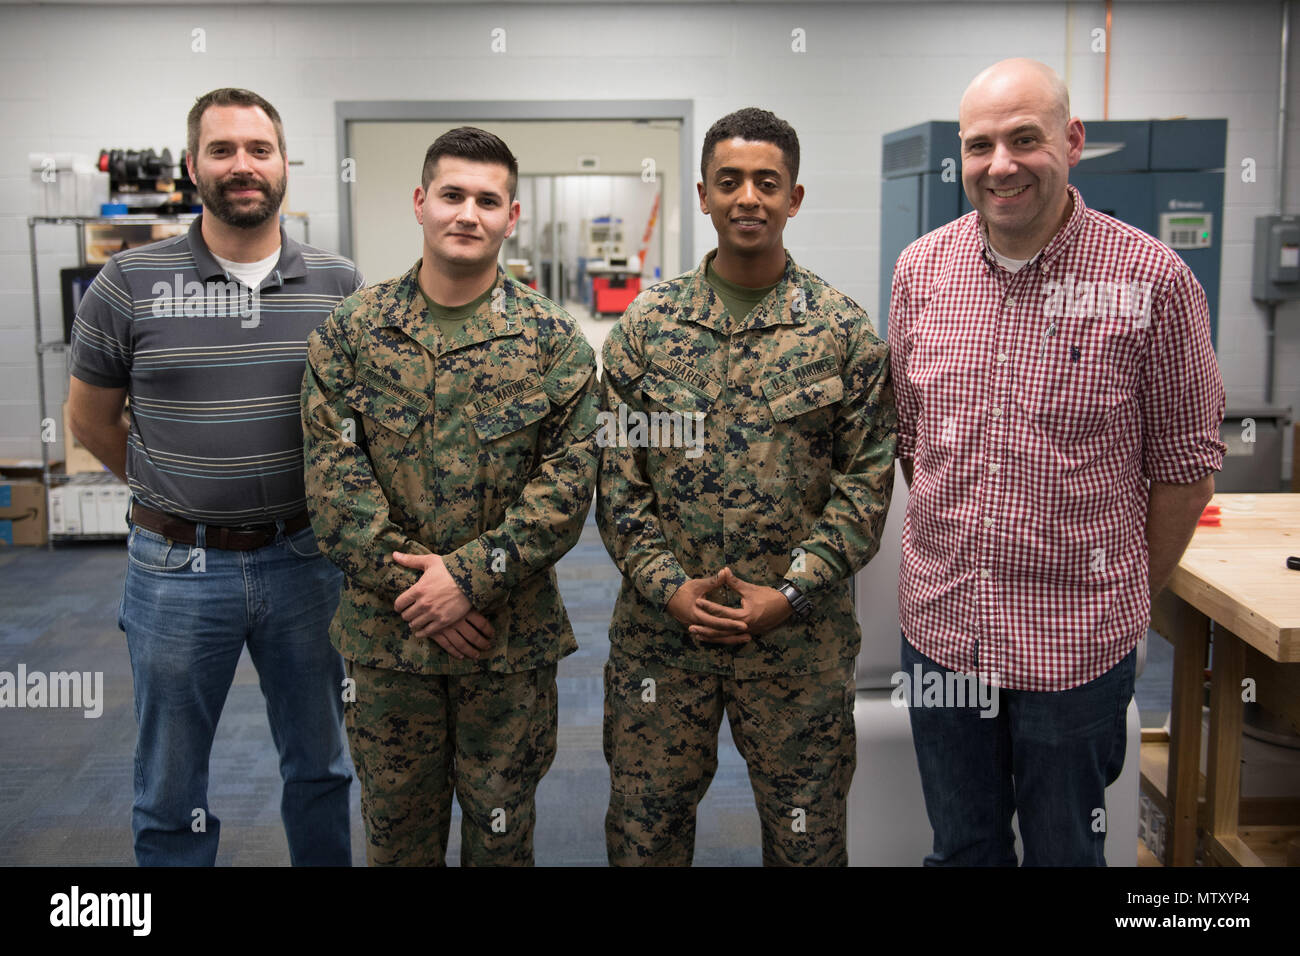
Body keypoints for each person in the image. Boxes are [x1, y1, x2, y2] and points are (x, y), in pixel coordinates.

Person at [889, 58, 1225, 866]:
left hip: (1074, 649)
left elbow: (1187, 470)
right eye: (979, 146)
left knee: (1067, 851)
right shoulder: (920, 272)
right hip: (944, 634)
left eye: (1024, 139)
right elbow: (914, 442)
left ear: (1071, 142)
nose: (1000, 165)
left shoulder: (1152, 281)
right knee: (962, 847)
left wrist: (1122, 594)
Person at [67, 87, 359, 866]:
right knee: (169, 786)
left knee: (323, 766)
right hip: (174, 570)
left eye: (259, 150)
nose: (243, 166)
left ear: (284, 165)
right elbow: (90, 421)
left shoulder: (339, 285)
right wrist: (178, 489)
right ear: (193, 165)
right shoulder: (127, 284)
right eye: (222, 150)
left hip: (306, 562)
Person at [597, 107, 897, 866]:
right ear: (703, 195)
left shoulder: (841, 332)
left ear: (795, 197)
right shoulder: (648, 328)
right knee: (645, 836)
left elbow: (865, 484)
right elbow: (618, 478)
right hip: (665, 641)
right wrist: (667, 585)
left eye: (768, 182)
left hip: (798, 643)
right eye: (729, 182)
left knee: (807, 840)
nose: (748, 198)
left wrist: (790, 591)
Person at [302, 127, 599, 867]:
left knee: (501, 838)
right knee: (398, 839)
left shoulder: (553, 341)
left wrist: (467, 581)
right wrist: (424, 593)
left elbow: (566, 484)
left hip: (506, 643)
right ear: (420, 202)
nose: (468, 213)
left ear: (511, 216)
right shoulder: (353, 334)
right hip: (388, 643)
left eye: (487, 200)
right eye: (453, 195)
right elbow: (334, 480)